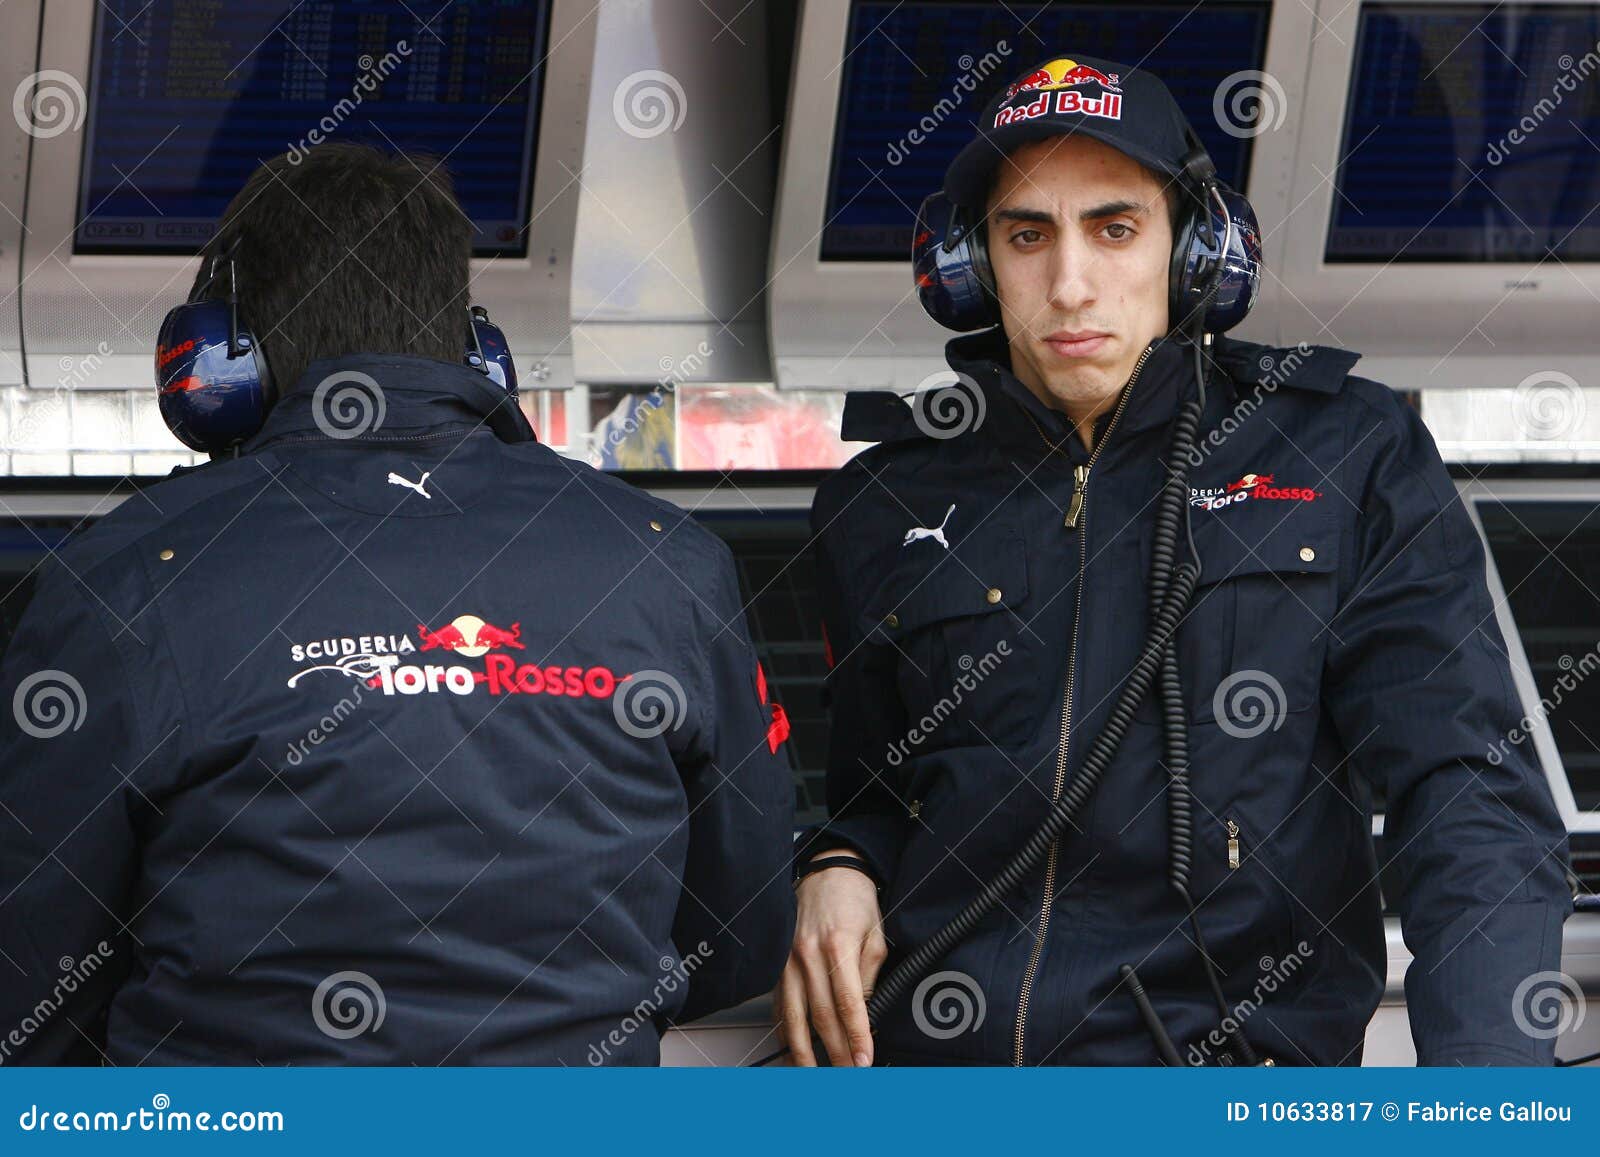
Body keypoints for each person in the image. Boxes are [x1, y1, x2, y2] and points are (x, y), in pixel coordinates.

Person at [777, 54, 1572, 1067]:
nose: (1069, 284)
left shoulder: (1344, 453)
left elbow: (1464, 789)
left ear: (1197, 252)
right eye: (1027, 235)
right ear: (970, 266)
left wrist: (1486, 1096)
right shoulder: (879, 499)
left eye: (1114, 228)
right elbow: (877, 793)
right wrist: (837, 859)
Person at [0, 143, 795, 1065]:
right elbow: (740, 936)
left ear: (221, 359)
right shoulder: (670, 565)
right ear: (477, 350)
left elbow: (30, 988)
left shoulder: (125, 577)